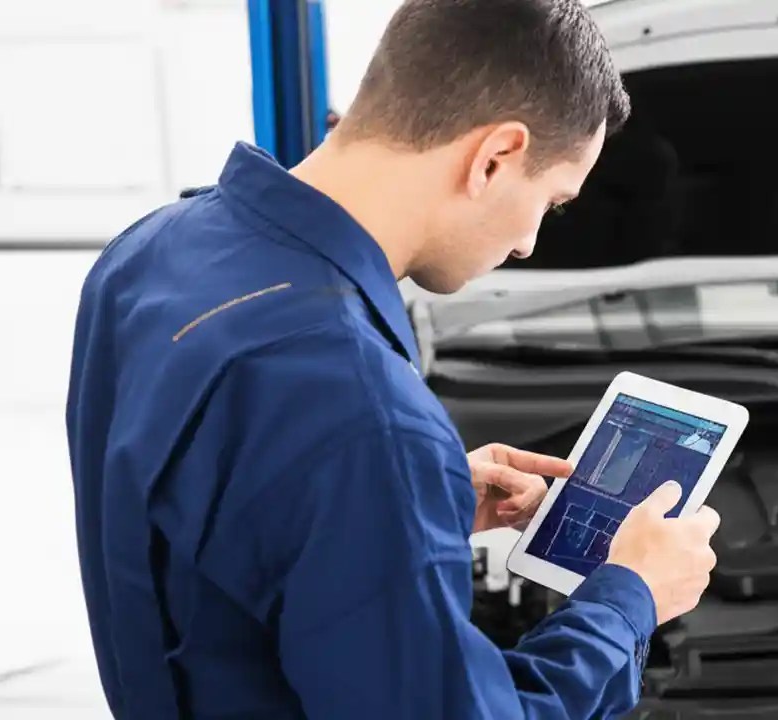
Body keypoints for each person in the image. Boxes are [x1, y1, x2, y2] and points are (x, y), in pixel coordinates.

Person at [64, 1, 721, 717]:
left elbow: (208, 530)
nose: (531, 242)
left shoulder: (149, 251)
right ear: (495, 156)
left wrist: (411, 511)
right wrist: (629, 598)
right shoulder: (364, 410)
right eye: (553, 201)